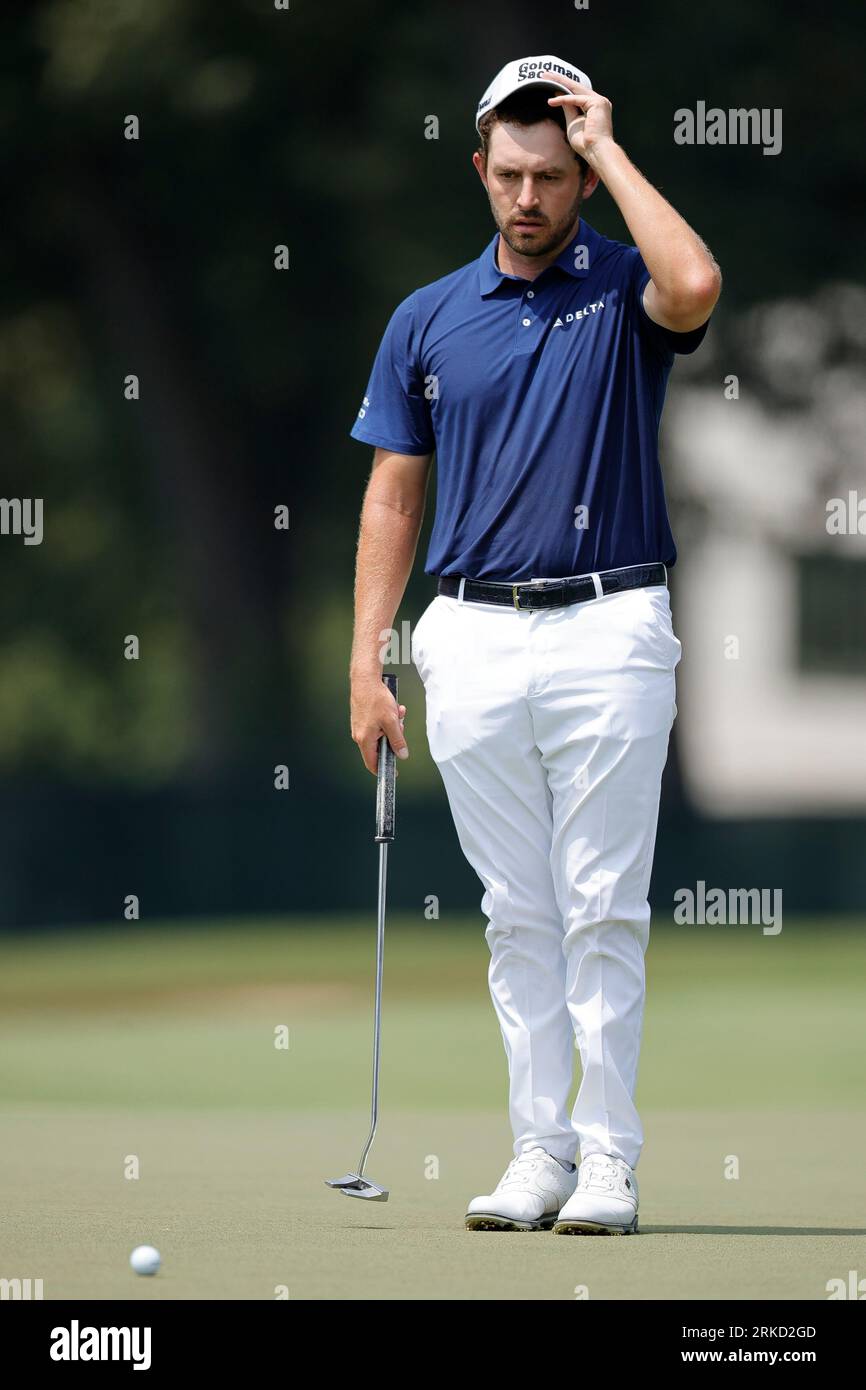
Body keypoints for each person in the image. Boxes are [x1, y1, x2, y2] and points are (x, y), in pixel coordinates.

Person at [348, 54, 721, 1234]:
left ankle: (608, 1158)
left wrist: (611, 147)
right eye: (509, 173)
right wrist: (370, 652)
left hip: (610, 623)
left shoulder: (621, 288)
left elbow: (697, 280)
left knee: (601, 903)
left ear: (581, 179)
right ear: (478, 169)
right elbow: (392, 497)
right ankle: (537, 1152)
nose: (527, 196)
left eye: (552, 174)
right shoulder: (426, 317)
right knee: (517, 912)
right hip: (467, 634)